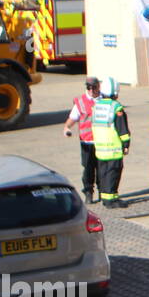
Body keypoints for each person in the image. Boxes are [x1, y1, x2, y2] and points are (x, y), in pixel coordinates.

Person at [91, 77, 131, 208]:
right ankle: (111, 200)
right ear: (115, 92)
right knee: (113, 172)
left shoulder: (97, 106)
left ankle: (105, 197)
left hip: (100, 148)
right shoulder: (116, 107)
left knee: (102, 172)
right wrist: (126, 144)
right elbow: (122, 129)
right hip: (113, 147)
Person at [63, 75, 101, 204]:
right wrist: (67, 127)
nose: (91, 90)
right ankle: (88, 193)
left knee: (102, 168)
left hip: (102, 141)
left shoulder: (105, 100)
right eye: (88, 87)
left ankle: (104, 192)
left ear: (98, 87)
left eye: (93, 87)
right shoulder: (81, 101)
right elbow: (73, 118)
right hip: (87, 142)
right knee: (88, 169)